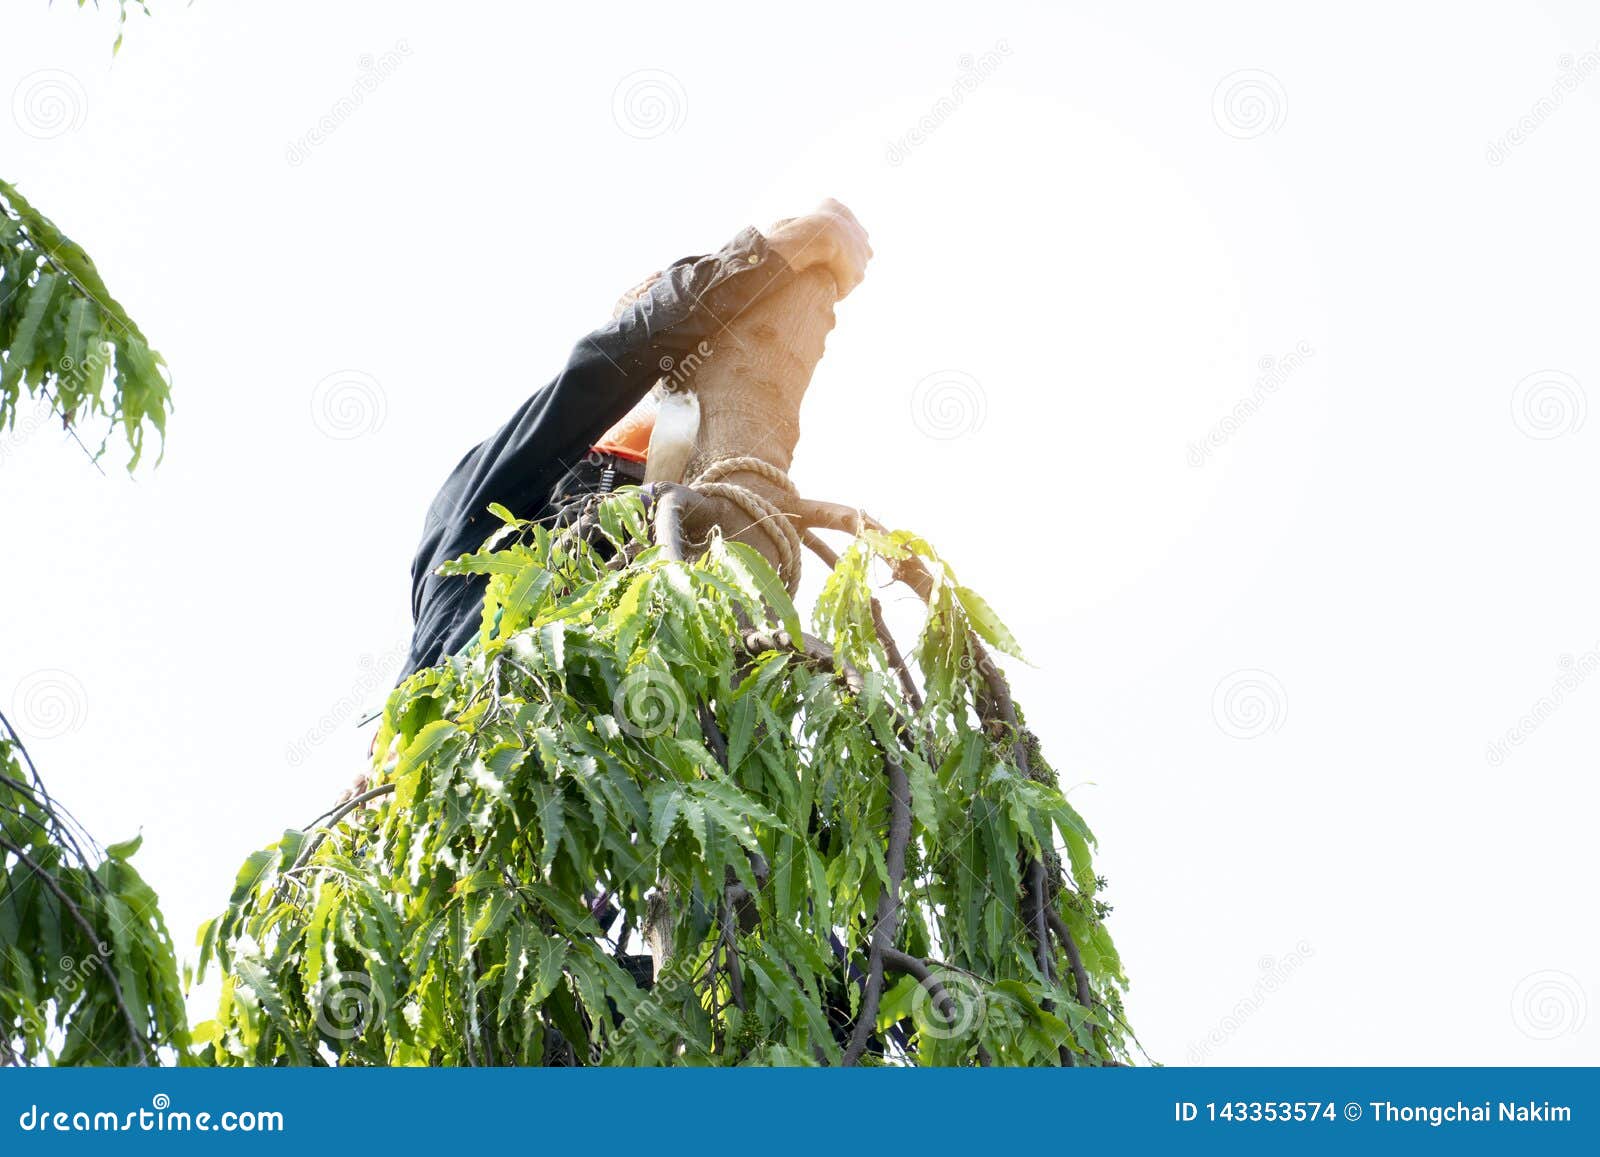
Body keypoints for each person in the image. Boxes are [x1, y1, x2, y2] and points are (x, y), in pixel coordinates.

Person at [402, 200, 872, 679]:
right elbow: (606, 364)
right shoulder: (507, 481)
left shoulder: (699, 507)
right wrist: (766, 256)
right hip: (483, 714)